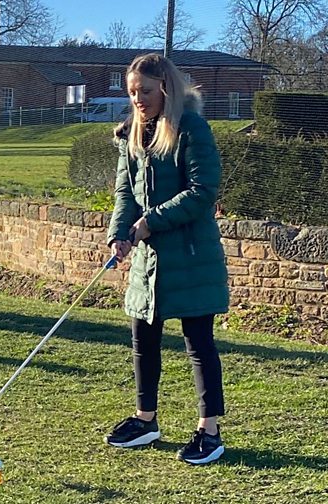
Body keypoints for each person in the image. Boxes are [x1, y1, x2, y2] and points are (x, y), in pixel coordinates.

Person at [103, 53, 229, 465]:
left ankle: (209, 431)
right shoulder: (131, 135)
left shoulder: (191, 128)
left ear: (166, 88)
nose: (137, 100)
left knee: (199, 343)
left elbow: (202, 191)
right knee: (143, 338)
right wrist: (119, 234)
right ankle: (146, 420)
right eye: (132, 92)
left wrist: (151, 222)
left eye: (145, 91)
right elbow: (125, 192)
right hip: (149, 259)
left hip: (192, 254)